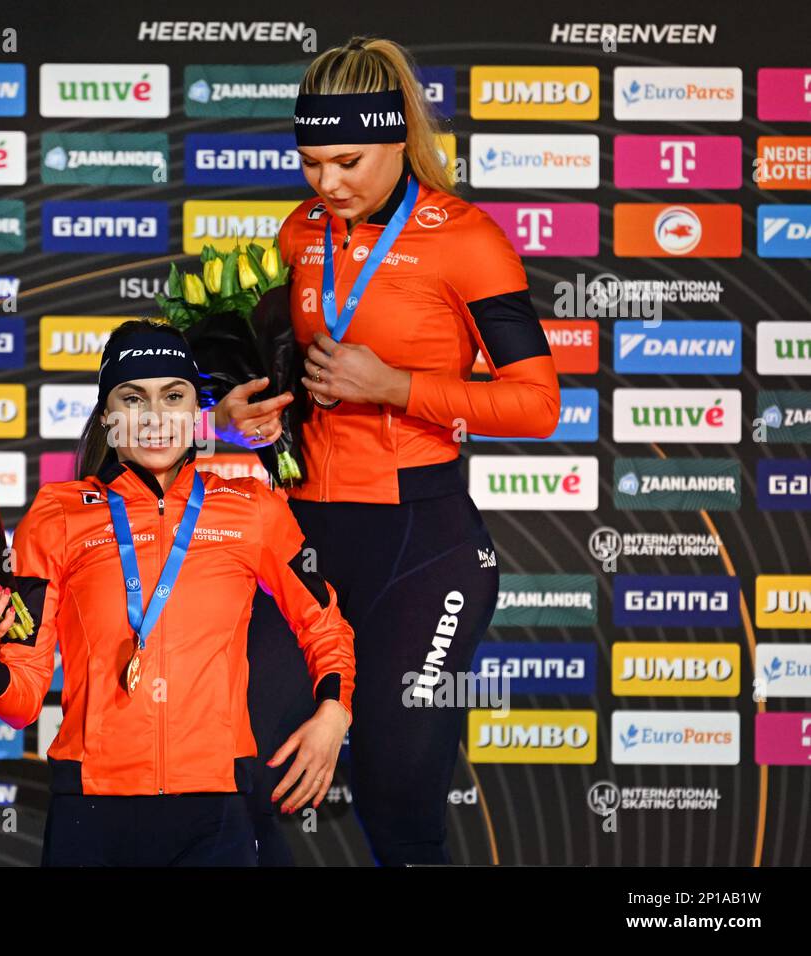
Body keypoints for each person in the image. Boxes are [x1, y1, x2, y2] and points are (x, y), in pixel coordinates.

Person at [211, 36, 561, 865]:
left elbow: (538, 404)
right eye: (309, 163)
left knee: (399, 804)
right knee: (239, 768)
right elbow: (281, 375)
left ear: (397, 137)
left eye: (346, 161)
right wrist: (240, 413)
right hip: (303, 544)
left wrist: (395, 386)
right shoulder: (300, 232)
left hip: (421, 549)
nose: (325, 184)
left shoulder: (467, 239)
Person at [0, 320, 356, 866]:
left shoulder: (252, 510)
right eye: (132, 398)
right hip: (92, 811)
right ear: (107, 415)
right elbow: (24, 701)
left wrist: (334, 713)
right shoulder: (56, 516)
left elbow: (324, 623)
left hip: (216, 810)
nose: (153, 418)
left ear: (198, 413)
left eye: (174, 397)